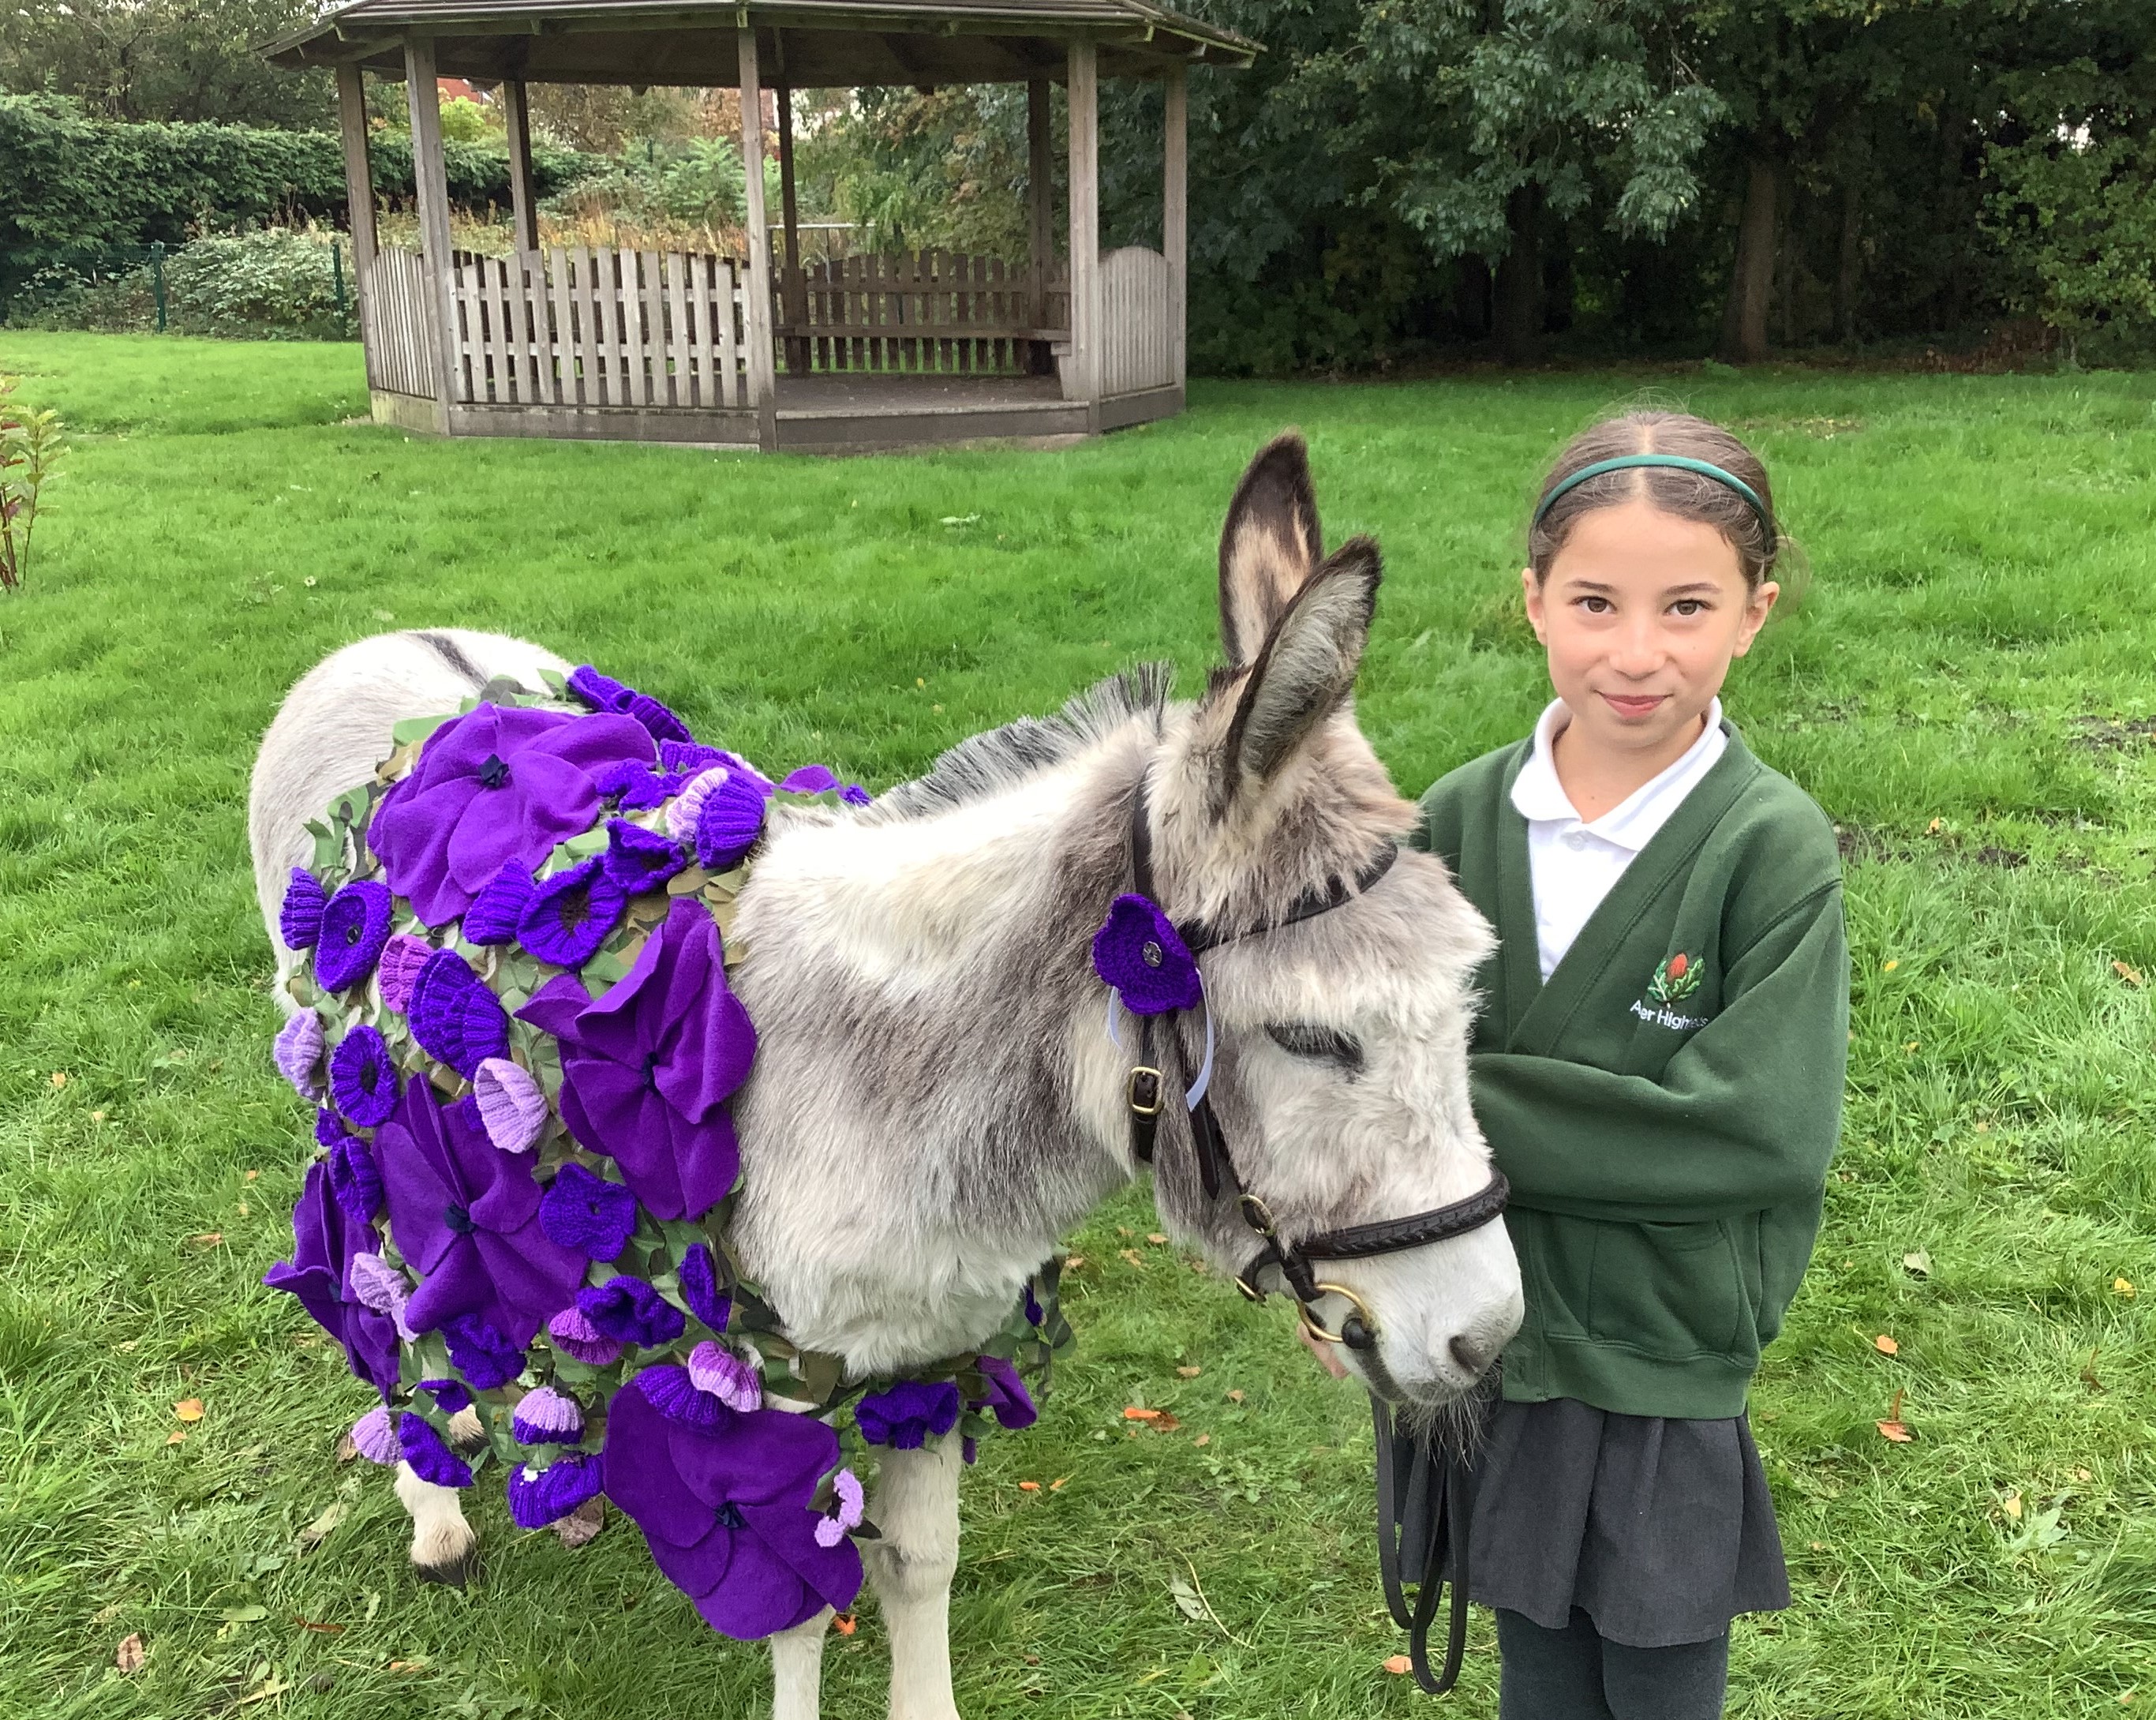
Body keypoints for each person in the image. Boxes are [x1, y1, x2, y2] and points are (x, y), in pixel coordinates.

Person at [1376, 410, 1848, 1718]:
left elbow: (1758, 1133)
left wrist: (1455, 1110)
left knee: (1658, 1668)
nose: (1637, 655)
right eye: (1595, 601)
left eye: (1687, 607)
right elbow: (1370, 1076)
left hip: (1663, 1347)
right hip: (1498, 1326)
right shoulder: (1457, 821)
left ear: (1754, 612)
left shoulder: (1770, 848)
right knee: (1538, 1655)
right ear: (1533, 602)